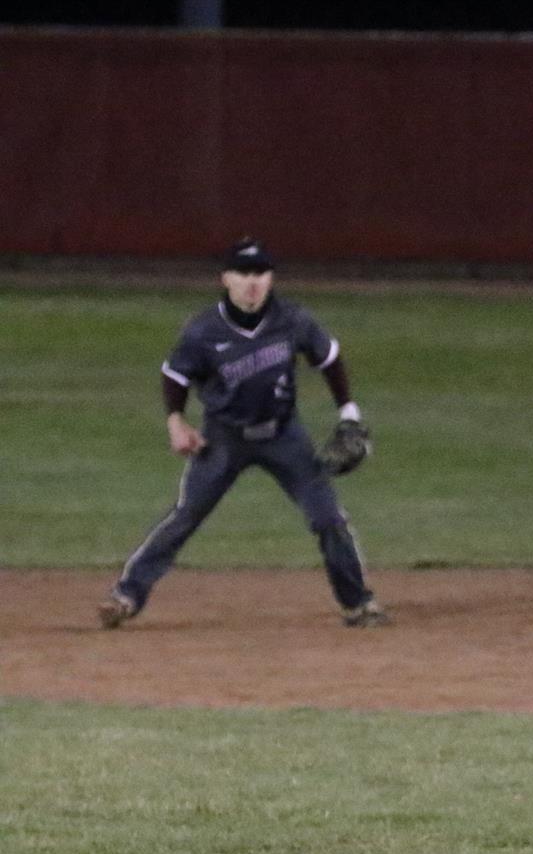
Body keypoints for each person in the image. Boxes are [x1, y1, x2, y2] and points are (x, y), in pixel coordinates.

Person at [98, 237, 386, 629]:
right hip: (224, 438)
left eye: (260, 273)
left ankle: (358, 603)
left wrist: (348, 413)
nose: (252, 282)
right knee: (185, 517)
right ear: (226, 278)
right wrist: (176, 422)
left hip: (285, 436)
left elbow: (330, 359)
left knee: (327, 518)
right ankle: (127, 596)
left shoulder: (293, 319)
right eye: (243, 273)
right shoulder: (204, 330)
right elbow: (175, 375)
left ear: (270, 278)